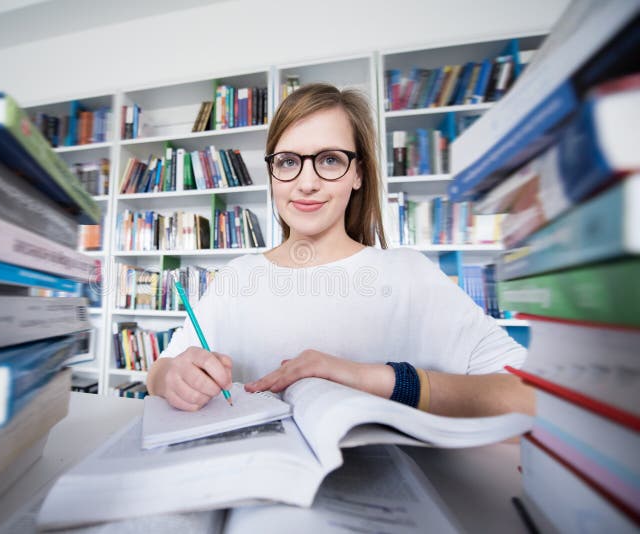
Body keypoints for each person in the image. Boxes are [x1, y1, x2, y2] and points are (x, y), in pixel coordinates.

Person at [147, 82, 534, 417]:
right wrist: (172, 378)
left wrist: (372, 377)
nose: (307, 182)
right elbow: (159, 373)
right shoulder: (236, 278)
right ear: (273, 174)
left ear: (358, 173)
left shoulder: (410, 275)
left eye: (330, 159)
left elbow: (531, 397)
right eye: (288, 162)